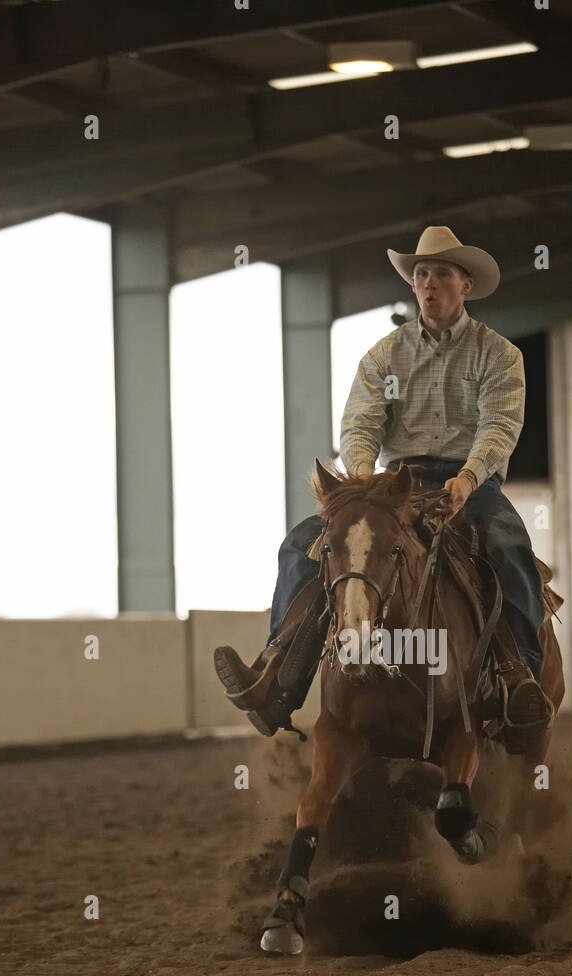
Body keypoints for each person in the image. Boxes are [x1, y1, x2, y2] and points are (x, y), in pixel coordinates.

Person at [214, 225, 554, 751]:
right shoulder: (383, 356)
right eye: (421, 274)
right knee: (303, 545)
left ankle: (518, 678)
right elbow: (361, 423)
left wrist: (467, 478)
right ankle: (276, 675)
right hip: (395, 485)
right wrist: (360, 482)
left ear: (465, 284)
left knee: (509, 546)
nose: (429, 283)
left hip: (470, 481)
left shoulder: (498, 354)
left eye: (441, 273)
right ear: (413, 285)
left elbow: (499, 426)